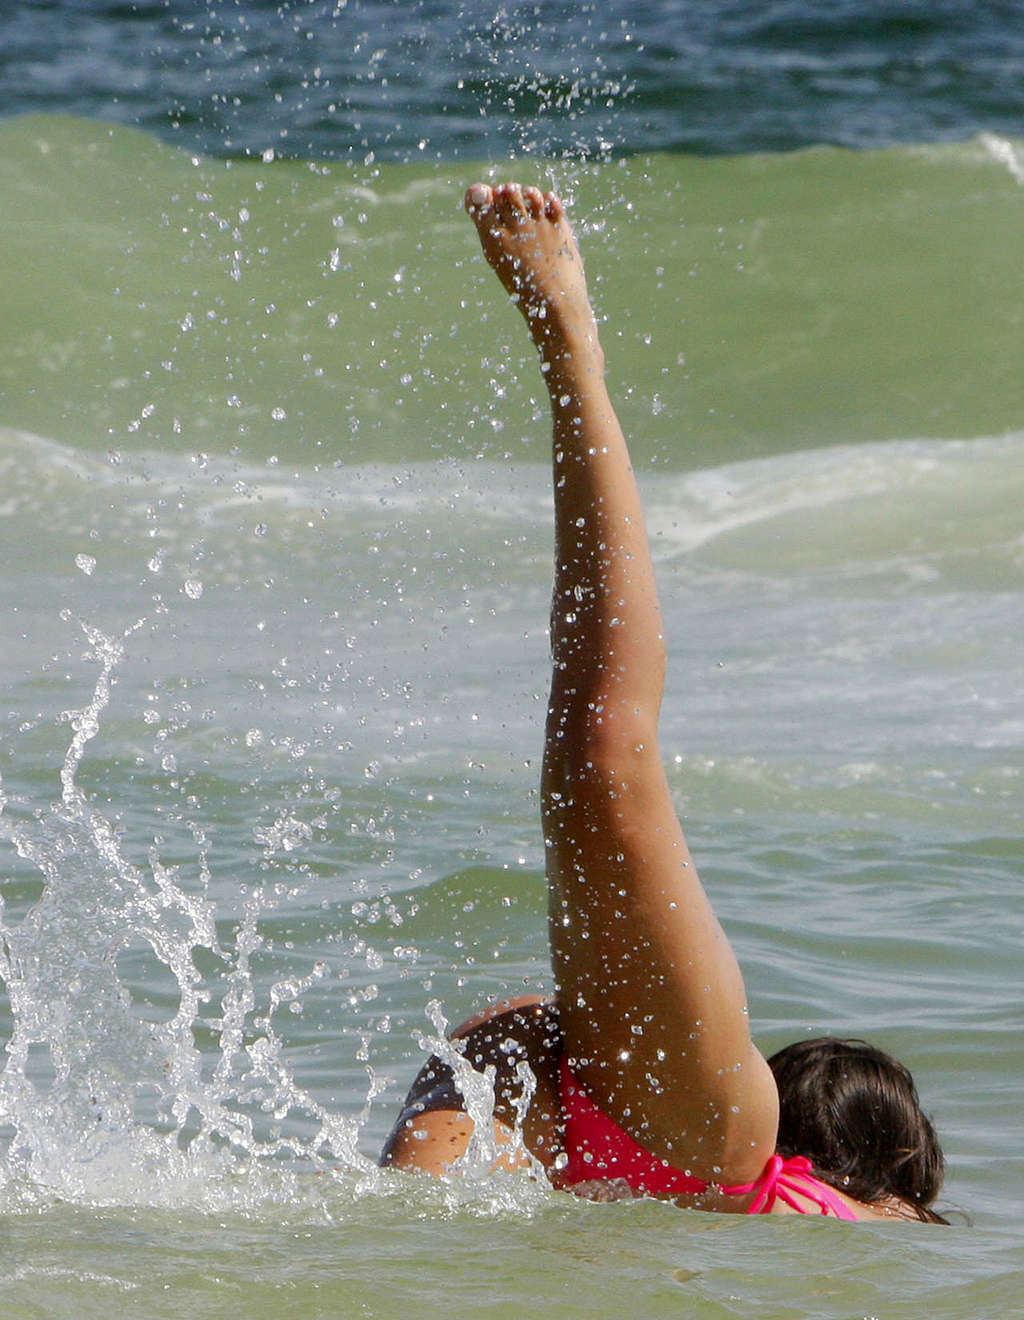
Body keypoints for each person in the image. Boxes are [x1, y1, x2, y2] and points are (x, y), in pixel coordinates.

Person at [380, 183, 946, 1222]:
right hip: (649, 1126)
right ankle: (572, 357)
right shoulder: (780, 1179)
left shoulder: (846, 1215)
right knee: (601, 748)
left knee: (597, 756)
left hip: (564, 1089)